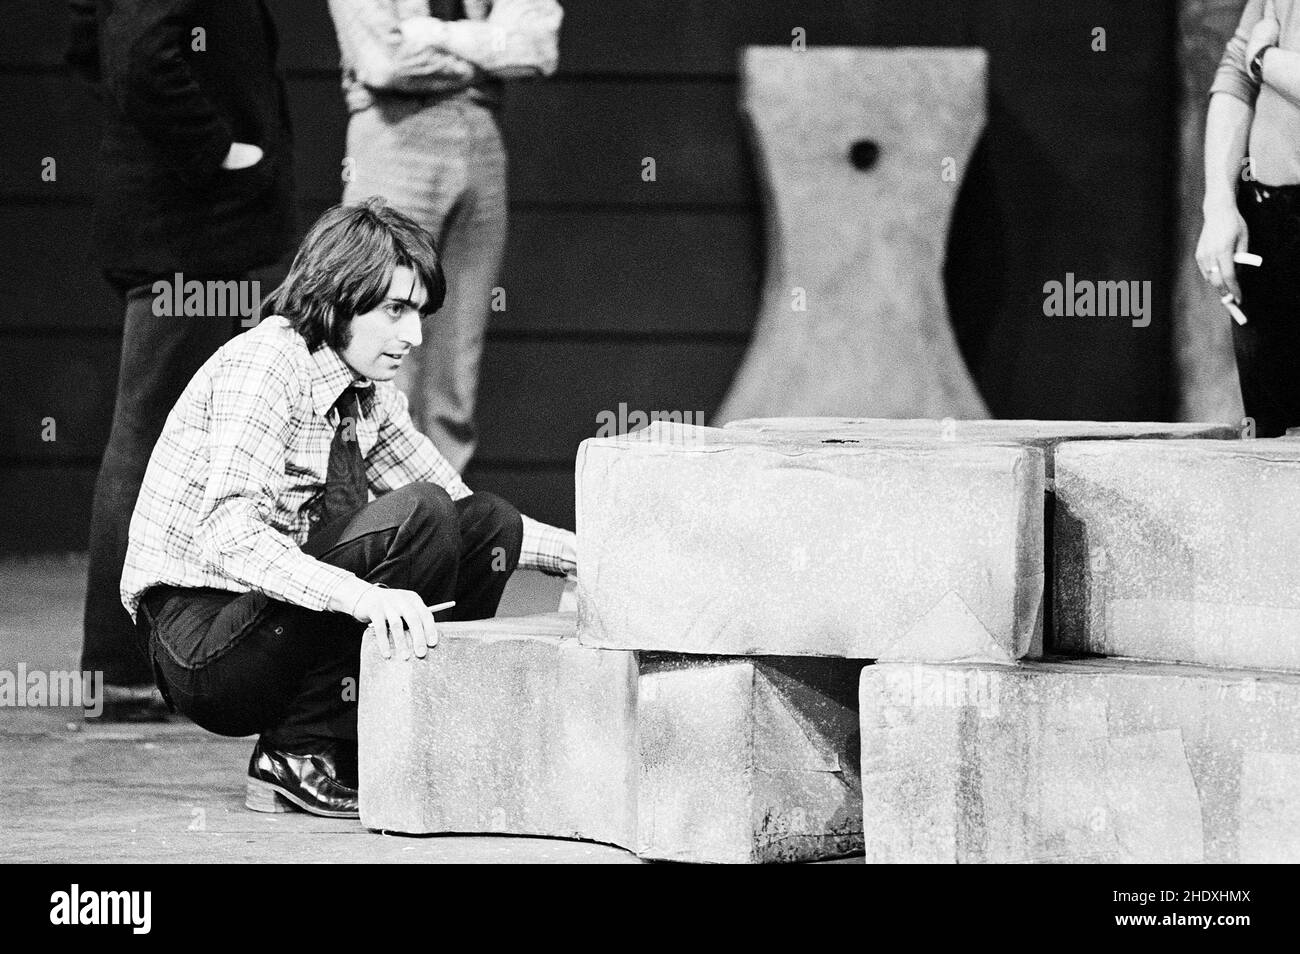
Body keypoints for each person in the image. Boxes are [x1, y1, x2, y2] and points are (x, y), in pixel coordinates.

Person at [121, 199, 576, 818]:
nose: (413, 336)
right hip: (203, 645)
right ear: (338, 298)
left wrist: (585, 556)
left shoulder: (367, 389)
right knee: (420, 517)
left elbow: (461, 507)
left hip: (267, 621)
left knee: (484, 520)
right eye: (395, 310)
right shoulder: (266, 366)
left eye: (418, 312)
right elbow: (230, 534)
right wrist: (362, 595)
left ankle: (403, 732)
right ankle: (297, 750)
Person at [66, 0, 296, 717]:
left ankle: (158, 661)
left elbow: (89, 42)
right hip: (193, 231)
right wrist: (218, 150)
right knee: (149, 436)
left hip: (193, 229)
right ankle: (123, 669)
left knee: (175, 436)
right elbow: (136, 53)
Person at [328, 0, 563, 471]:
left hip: (482, 137)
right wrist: (485, 57)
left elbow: (537, 47)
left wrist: (433, 36)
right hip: (395, 132)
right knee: (379, 338)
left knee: (456, 360)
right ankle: (374, 520)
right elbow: (385, 61)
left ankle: (445, 514)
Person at [1198, 0, 1300, 436]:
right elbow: (1237, 68)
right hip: (1270, 217)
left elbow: (1252, 59)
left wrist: (1267, 59)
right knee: (1271, 445)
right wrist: (1219, 202)